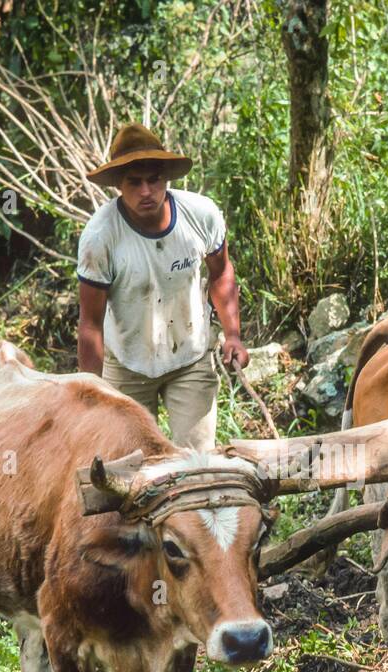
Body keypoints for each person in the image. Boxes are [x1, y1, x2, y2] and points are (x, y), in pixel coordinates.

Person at [76, 124, 248, 451]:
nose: (146, 191)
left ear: (166, 179)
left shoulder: (200, 215)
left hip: (190, 357)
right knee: (129, 467)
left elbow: (221, 274)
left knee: (197, 461)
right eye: (134, 182)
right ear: (118, 186)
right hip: (127, 364)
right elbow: (91, 323)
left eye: (153, 180)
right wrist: (91, 391)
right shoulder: (100, 237)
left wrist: (233, 335)